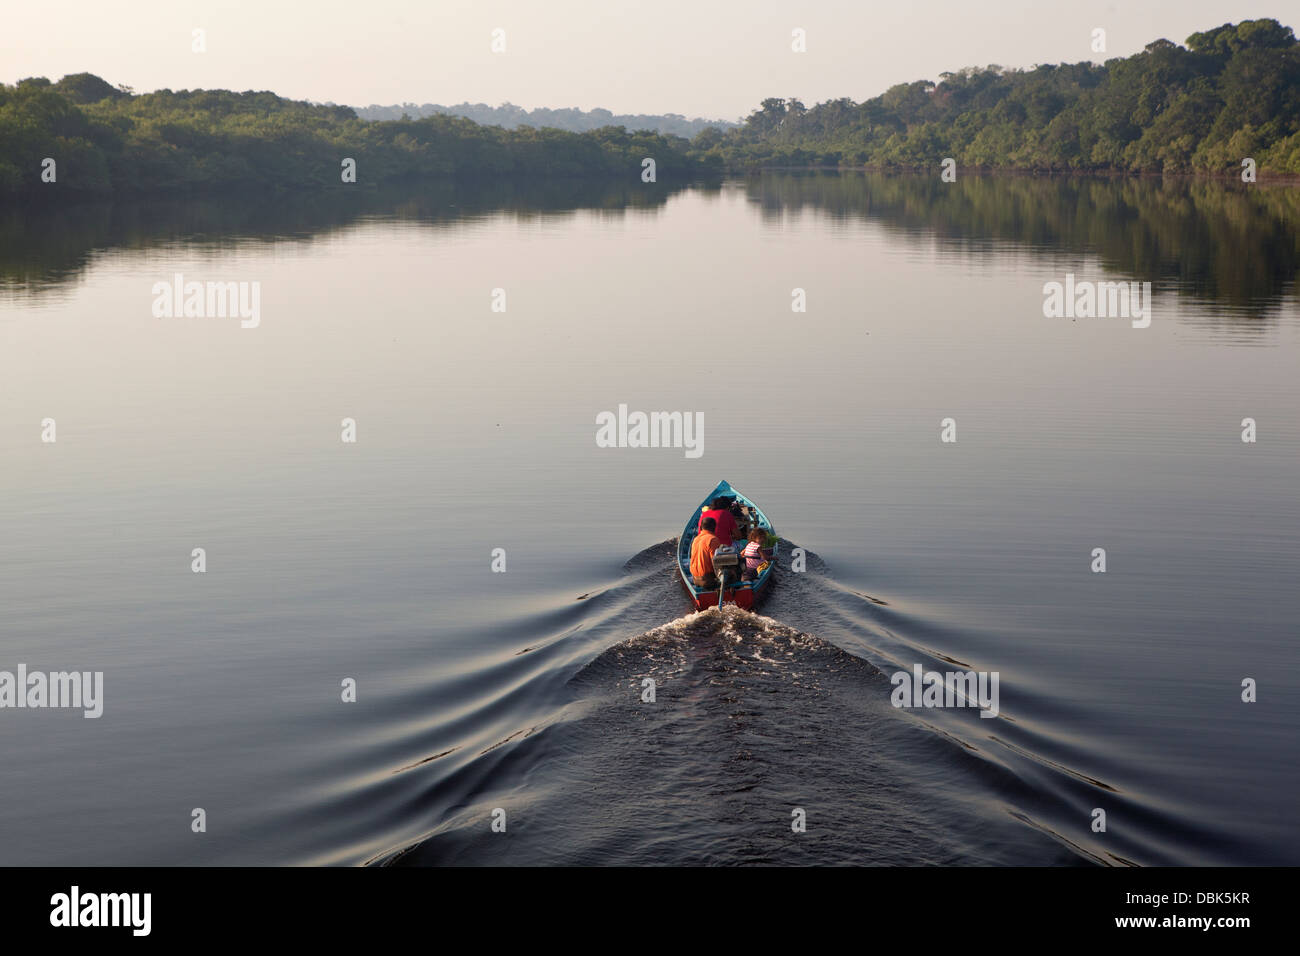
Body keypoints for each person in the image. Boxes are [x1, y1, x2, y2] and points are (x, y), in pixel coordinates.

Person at [690, 516, 723, 588]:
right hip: (707, 579)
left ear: (701, 527)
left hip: (695, 578)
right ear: (714, 528)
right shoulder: (713, 539)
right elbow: (716, 563)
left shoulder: (696, 539)